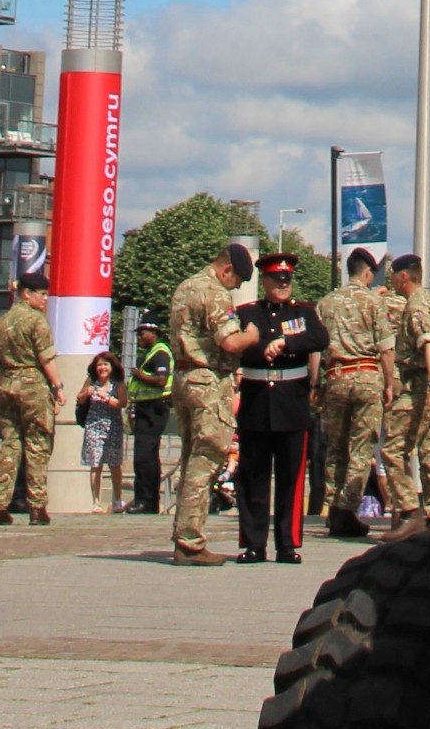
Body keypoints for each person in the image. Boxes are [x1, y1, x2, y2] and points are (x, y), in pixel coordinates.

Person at [223, 251, 325, 564]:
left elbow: (321, 337)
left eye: (287, 279)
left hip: (291, 403)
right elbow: (232, 344)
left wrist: (287, 344)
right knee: (253, 477)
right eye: (276, 279)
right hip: (256, 402)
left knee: (290, 478)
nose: (283, 284)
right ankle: (253, 543)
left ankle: (287, 543)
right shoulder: (247, 313)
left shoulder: (305, 313)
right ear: (265, 281)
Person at [167, 239, 252, 564]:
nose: (237, 287)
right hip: (207, 380)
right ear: (227, 269)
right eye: (238, 281)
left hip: (185, 378)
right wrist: (253, 335)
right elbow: (230, 341)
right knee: (208, 457)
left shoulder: (185, 287)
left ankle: (183, 533)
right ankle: (190, 541)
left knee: (192, 457)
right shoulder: (215, 292)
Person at [317, 248, 396, 537]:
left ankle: (332, 507)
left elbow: (317, 348)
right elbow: (386, 348)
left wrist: (317, 384)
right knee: (361, 448)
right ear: (367, 273)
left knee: (335, 446)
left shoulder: (326, 303)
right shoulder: (374, 303)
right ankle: (347, 509)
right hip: (366, 376)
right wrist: (389, 384)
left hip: (336, 376)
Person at [382, 254, 430, 538]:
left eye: (394, 275)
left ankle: (410, 512)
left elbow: (429, 342)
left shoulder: (415, 307)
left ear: (403, 277)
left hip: (420, 386)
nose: (392, 280)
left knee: (393, 447)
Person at [0, 273, 64, 526]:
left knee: (10, 445)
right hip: (32, 384)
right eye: (41, 294)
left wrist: (4, 384)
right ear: (26, 293)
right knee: (37, 445)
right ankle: (37, 507)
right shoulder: (36, 321)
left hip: (6, 384)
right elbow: (46, 358)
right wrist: (58, 386)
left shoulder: (1, 322)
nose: (44, 300)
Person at [126, 311, 175, 515]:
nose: (139, 337)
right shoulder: (152, 353)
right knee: (148, 456)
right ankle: (148, 501)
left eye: (142, 333)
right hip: (147, 409)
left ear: (153, 332)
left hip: (154, 409)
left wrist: (140, 375)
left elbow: (160, 380)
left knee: (144, 457)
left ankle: (145, 500)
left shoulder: (160, 353)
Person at [78, 350, 127, 511]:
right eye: (99, 365)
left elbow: (123, 403)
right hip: (93, 425)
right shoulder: (91, 381)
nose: (102, 368)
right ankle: (96, 502)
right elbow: (79, 398)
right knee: (95, 463)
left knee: (114, 463)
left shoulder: (118, 383)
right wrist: (87, 392)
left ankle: (117, 500)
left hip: (113, 425)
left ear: (112, 366)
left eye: (105, 364)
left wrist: (107, 398)